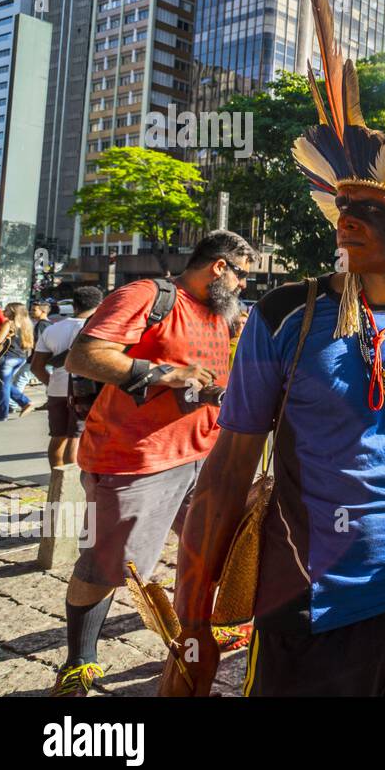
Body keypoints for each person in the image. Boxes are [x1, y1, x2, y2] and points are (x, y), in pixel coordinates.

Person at [158, 0, 385, 697]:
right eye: (341, 206)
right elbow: (227, 471)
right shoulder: (286, 315)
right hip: (305, 607)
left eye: (369, 209)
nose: (345, 220)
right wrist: (192, 620)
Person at [48, 231, 253, 696]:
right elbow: (85, 356)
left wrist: (224, 394)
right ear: (220, 266)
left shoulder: (218, 315)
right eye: (242, 274)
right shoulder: (147, 295)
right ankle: (79, 662)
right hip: (137, 457)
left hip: (205, 452)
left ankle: (201, 627)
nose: (243, 285)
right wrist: (164, 374)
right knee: (108, 564)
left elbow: (203, 380)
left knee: (216, 550)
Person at [31, 286, 105, 467]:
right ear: (101, 305)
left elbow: (36, 367)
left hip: (57, 390)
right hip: (86, 390)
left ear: (74, 306)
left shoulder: (52, 329)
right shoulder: (98, 328)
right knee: (76, 438)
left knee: (58, 437)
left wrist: (52, 383)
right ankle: (70, 485)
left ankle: (56, 480)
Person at [0, 303, 35, 420]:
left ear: (13, 312)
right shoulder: (26, 324)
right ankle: (24, 402)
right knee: (4, 384)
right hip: (20, 357)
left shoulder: (9, 323)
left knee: (3, 386)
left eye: (6, 309)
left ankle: (2, 415)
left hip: (6, 358)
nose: (3, 311)